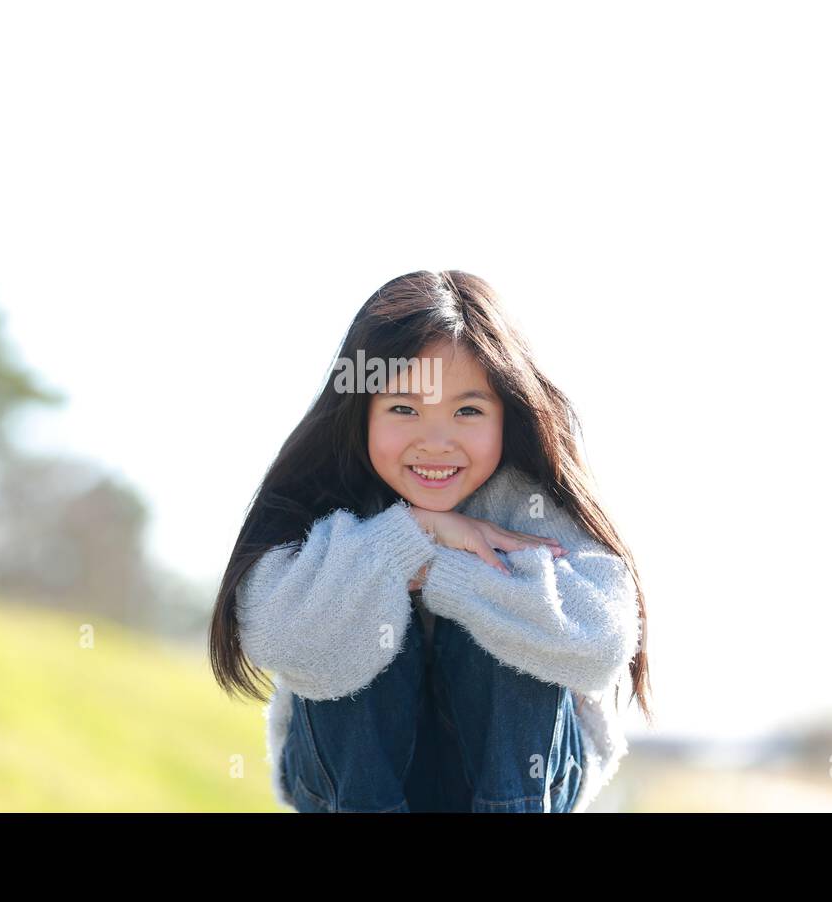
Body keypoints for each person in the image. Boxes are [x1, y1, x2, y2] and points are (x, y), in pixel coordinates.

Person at [209, 270, 651, 812]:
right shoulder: (326, 496)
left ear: (506, 412)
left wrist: (438, 569)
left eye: (468, 410)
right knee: (351, 598)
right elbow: (281, 639)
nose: (436, 443)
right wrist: (411, 536)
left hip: (524, 784)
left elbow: (600, 644)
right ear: (362, 411)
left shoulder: (534, 500)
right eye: (404, 409)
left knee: (514, 601)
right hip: (345, 788)